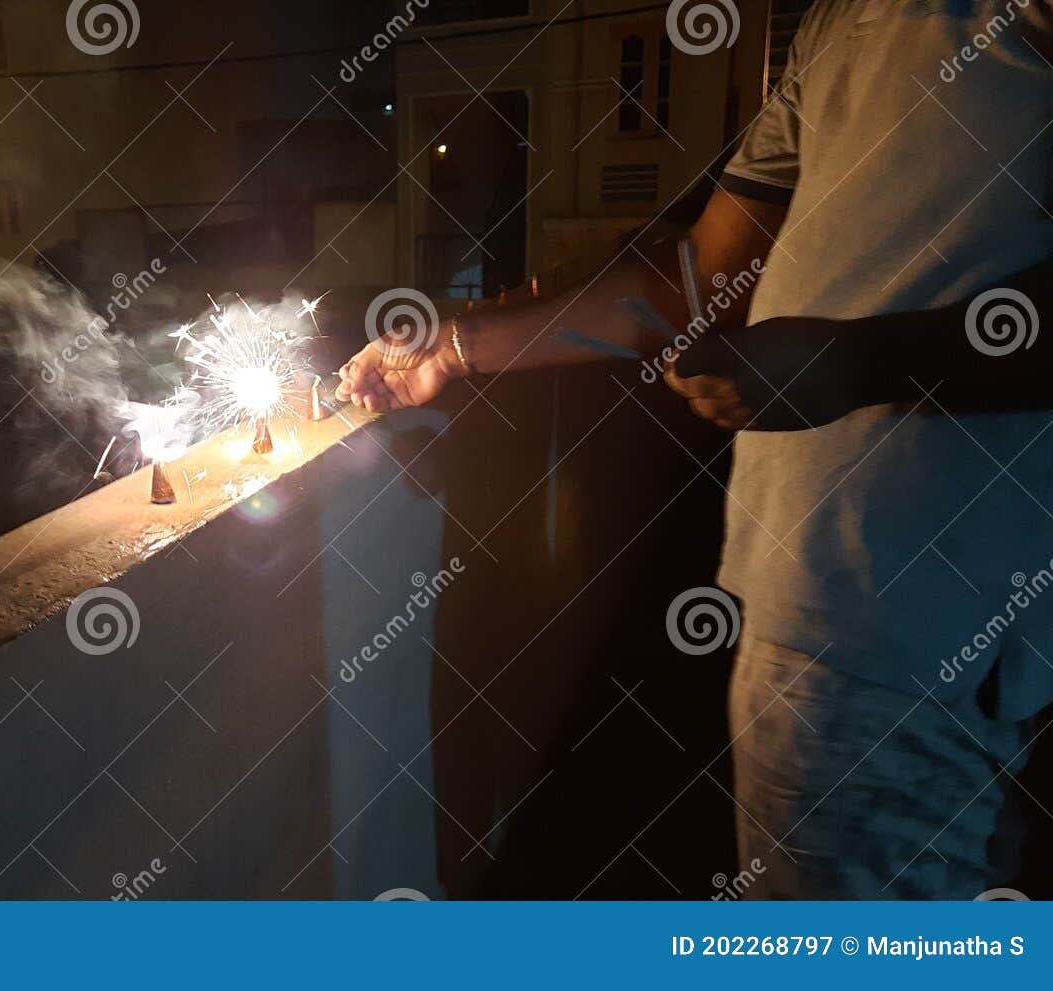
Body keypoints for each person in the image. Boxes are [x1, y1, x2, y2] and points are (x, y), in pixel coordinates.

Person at [338, 0, 1053, 898]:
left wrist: (863, 361)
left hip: (927, 630)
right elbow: (697, 280)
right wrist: (453, 345)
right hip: (820, 609)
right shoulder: (848, 23)